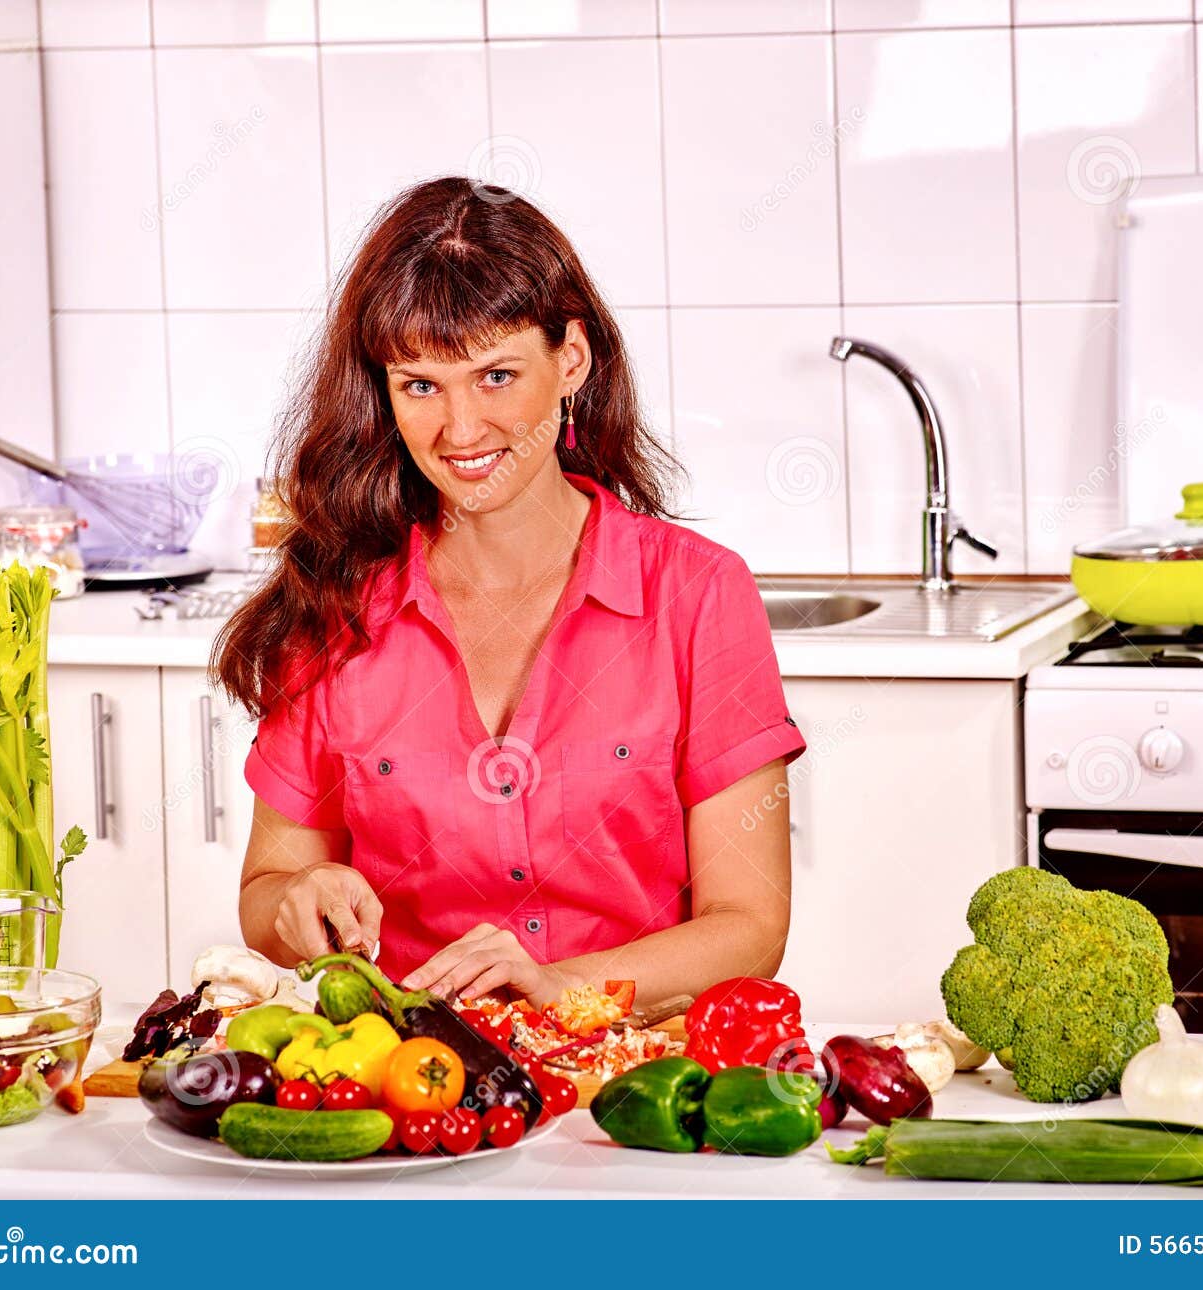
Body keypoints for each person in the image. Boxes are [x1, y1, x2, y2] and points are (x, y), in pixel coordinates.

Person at [214, 176, 805, 1007]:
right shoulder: (336, 602)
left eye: (496, 376)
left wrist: (560, 984)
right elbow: (267, 888)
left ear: (572, 359)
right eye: (420, 385)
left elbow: (749, 926)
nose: (459, 431)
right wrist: (295, 904)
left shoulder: (698, 594)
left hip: (628, 1091)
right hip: (416, 1086)